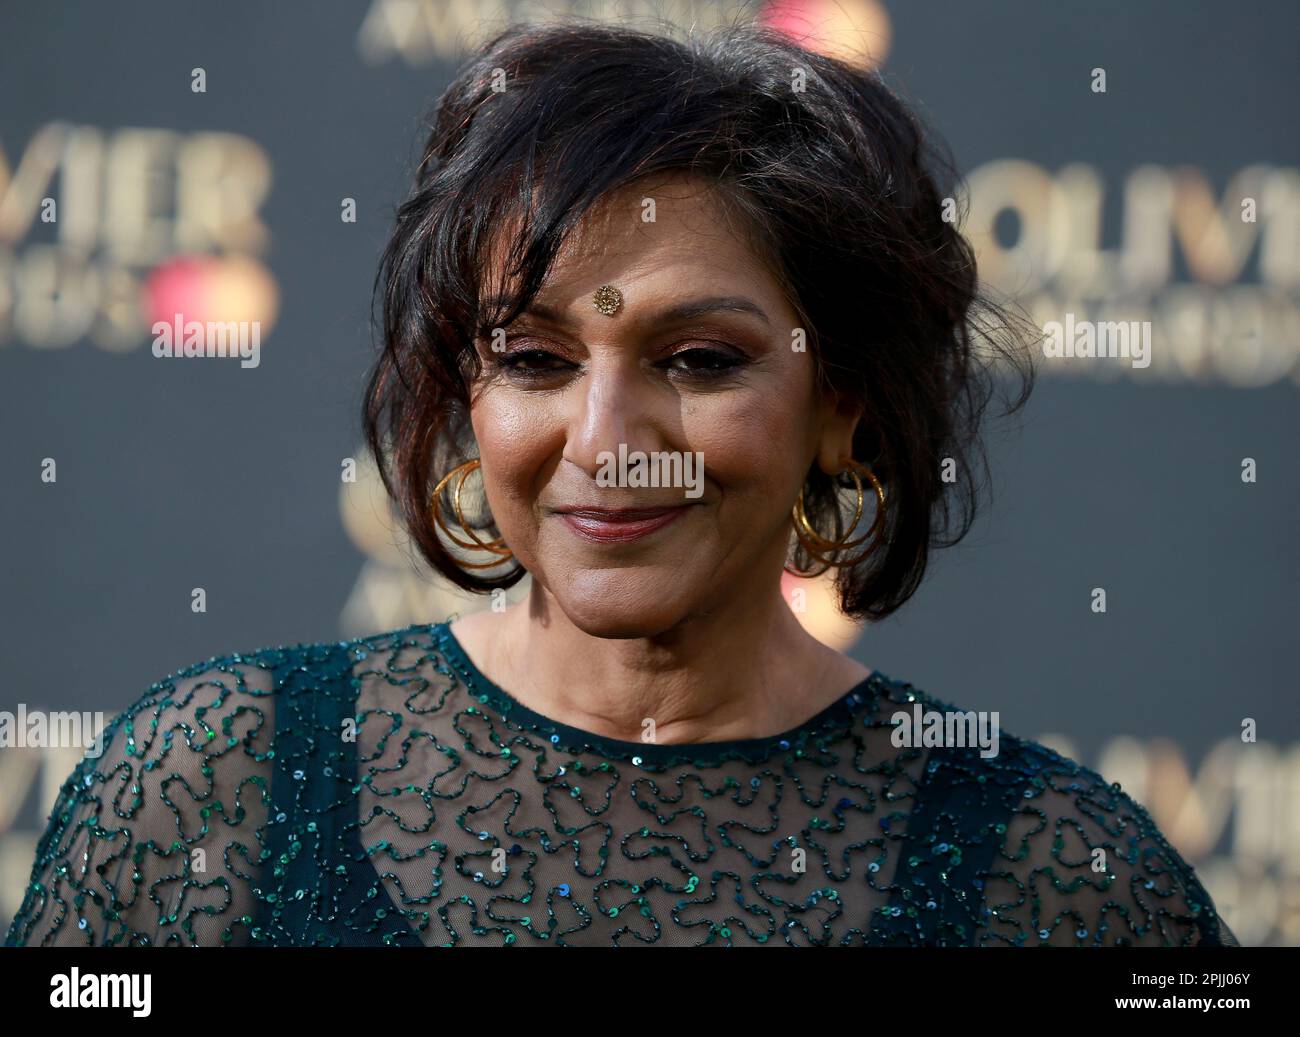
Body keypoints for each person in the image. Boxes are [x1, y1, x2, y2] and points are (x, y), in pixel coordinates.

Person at [5, 19, 1236, 947]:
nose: (607, 438)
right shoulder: (216, 786)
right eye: (534, 358)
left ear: (841, 405)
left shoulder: (1057, 874)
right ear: (464, 396)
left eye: (699, 359)